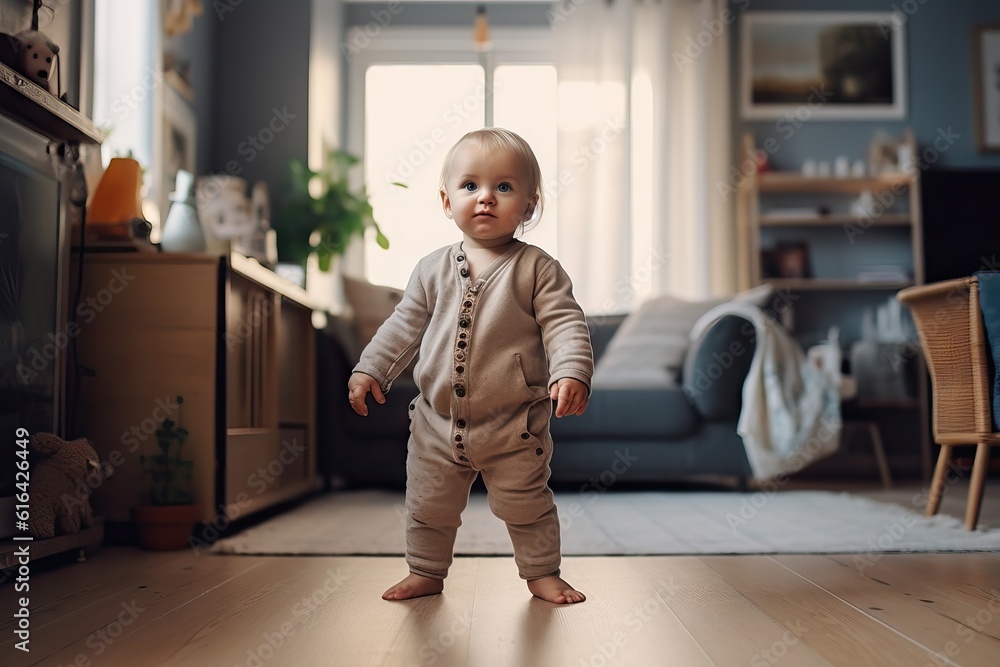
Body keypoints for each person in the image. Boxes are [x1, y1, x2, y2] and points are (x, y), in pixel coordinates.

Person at [348, 128, 593, 604]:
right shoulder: (429, 269)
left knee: (527, 506)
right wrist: (370, 369)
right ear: (446, 200)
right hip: (437, 424)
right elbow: (402, 328)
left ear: (529, 205)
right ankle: (425, 571)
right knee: (427, 506)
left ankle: (542, 573)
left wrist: (572, 371)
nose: (486, 198)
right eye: (470, 186)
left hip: (513, 425)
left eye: (504, 187)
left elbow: (565, 323)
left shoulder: (538, 269)